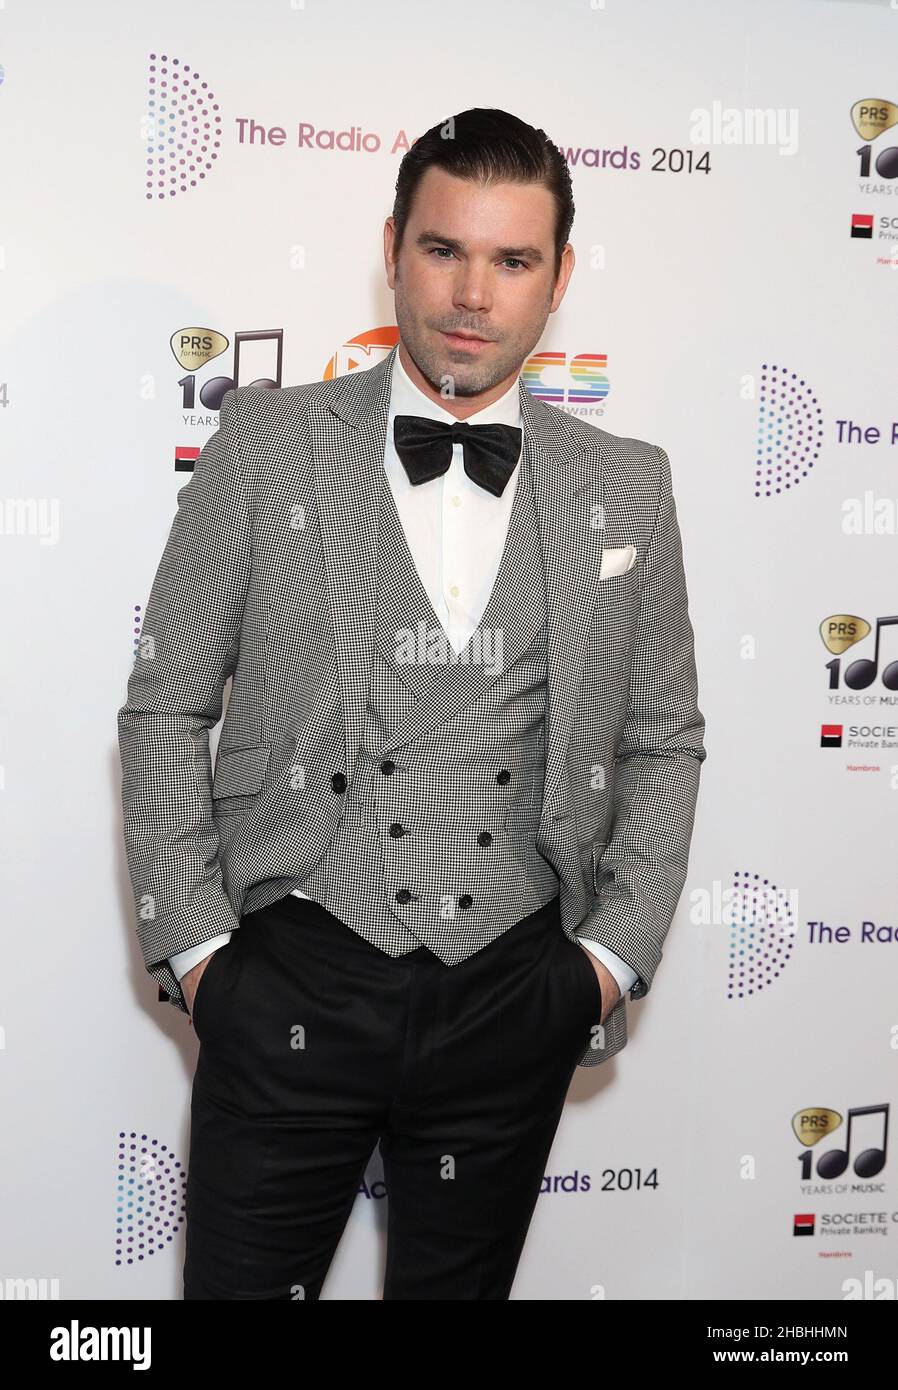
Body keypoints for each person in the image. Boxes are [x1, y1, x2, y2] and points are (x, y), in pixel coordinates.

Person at [117, 106, 707, 1300]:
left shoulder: (627, 488)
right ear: (392, 247)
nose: (471, 294)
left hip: (512, 991)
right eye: (443, 249)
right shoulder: (266, 443)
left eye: (511, 259)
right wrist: (203, 955)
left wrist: (603, 959)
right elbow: (165, 707)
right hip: (293, 980)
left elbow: (664, 738)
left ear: (559, 279)